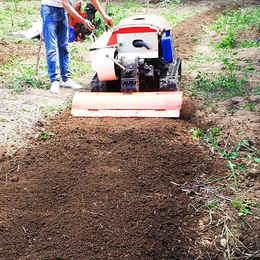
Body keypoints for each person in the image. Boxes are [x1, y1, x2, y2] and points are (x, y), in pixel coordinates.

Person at [41, 0, 113, 94]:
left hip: (62, 10)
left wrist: (104, 15)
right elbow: (66, 4)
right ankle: (54, 80)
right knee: (51, 48)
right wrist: (83, 21)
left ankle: (66, 79)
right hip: (49, 9)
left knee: (64, 46)